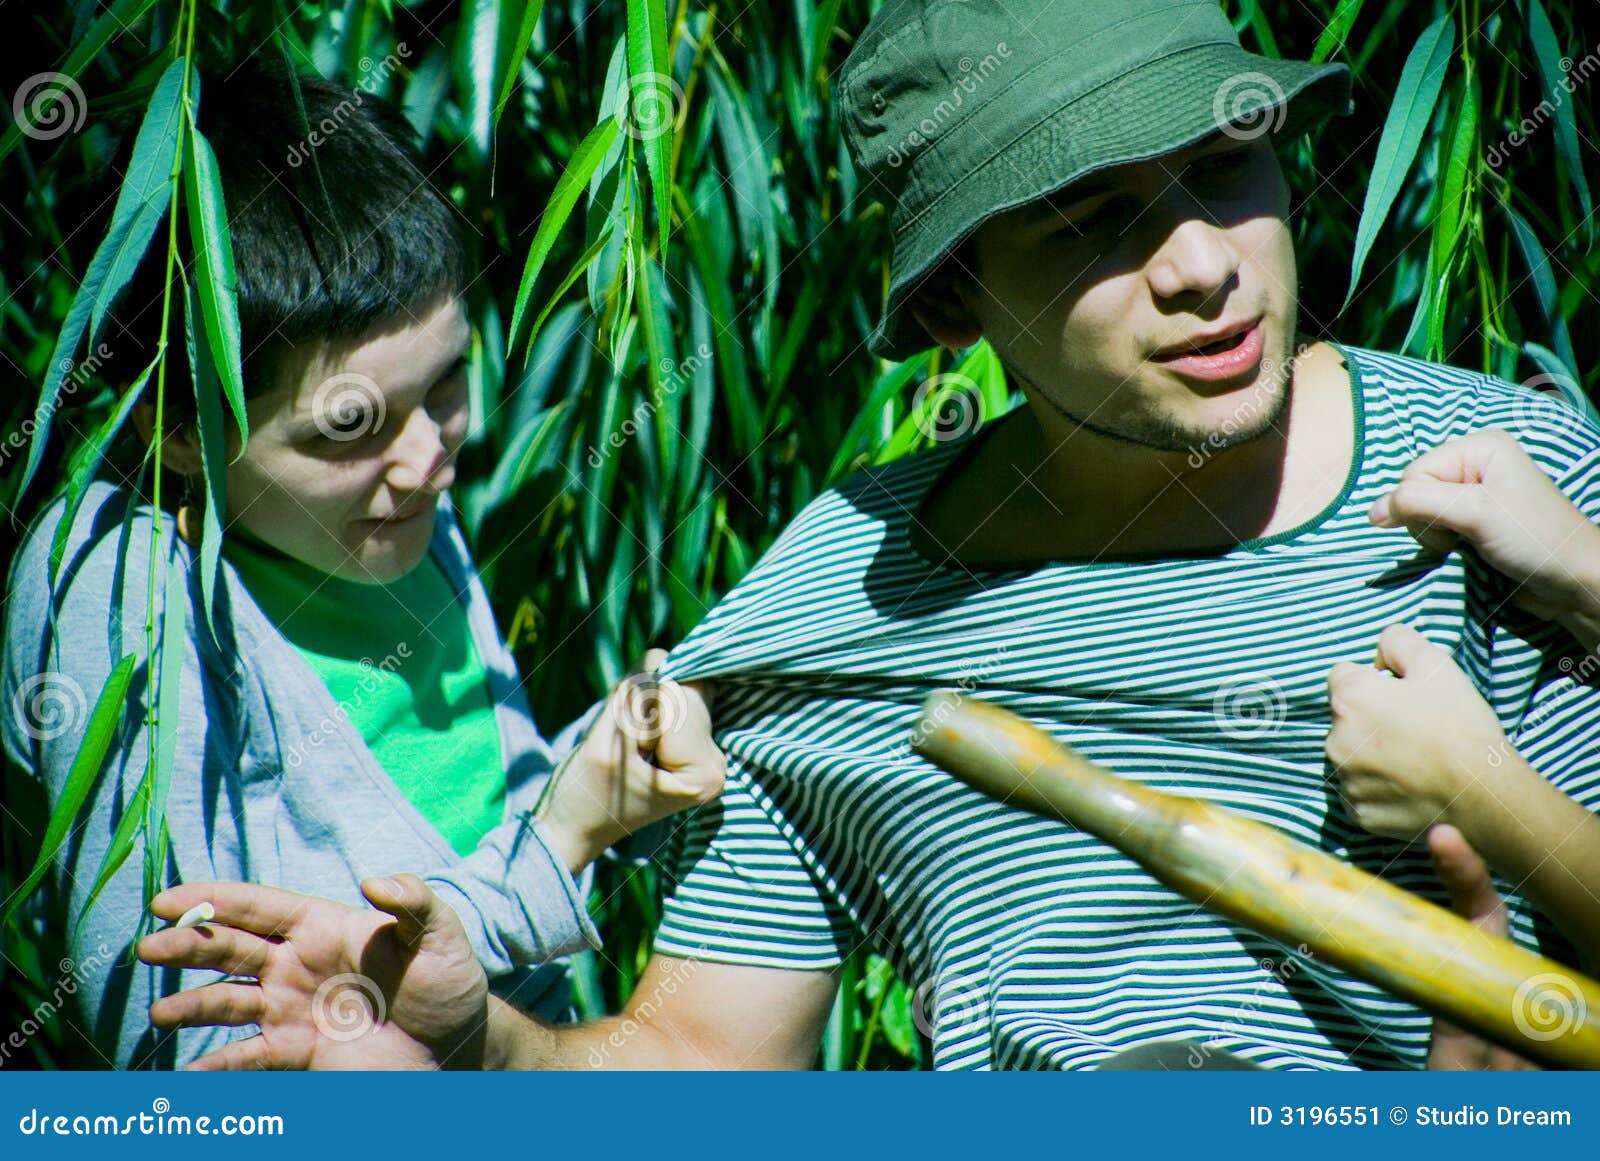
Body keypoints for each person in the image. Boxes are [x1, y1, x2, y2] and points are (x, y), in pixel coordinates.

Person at [135, 0, 1599, 1070]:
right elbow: (706, 1069)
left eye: (1228, 168)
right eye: (1094, 222)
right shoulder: (838, 606)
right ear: (957, 305)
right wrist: (491, 1041)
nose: (1206, 268)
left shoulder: (1514, 502)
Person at [0, 63, 723, 1070]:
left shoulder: (393, 497)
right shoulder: (114, 585)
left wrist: (619, 775)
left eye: (448, 384)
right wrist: (560, 846)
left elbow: (473, 818)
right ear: (179, 430)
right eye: (349, 427)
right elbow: (178, 1050)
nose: (431, 459)